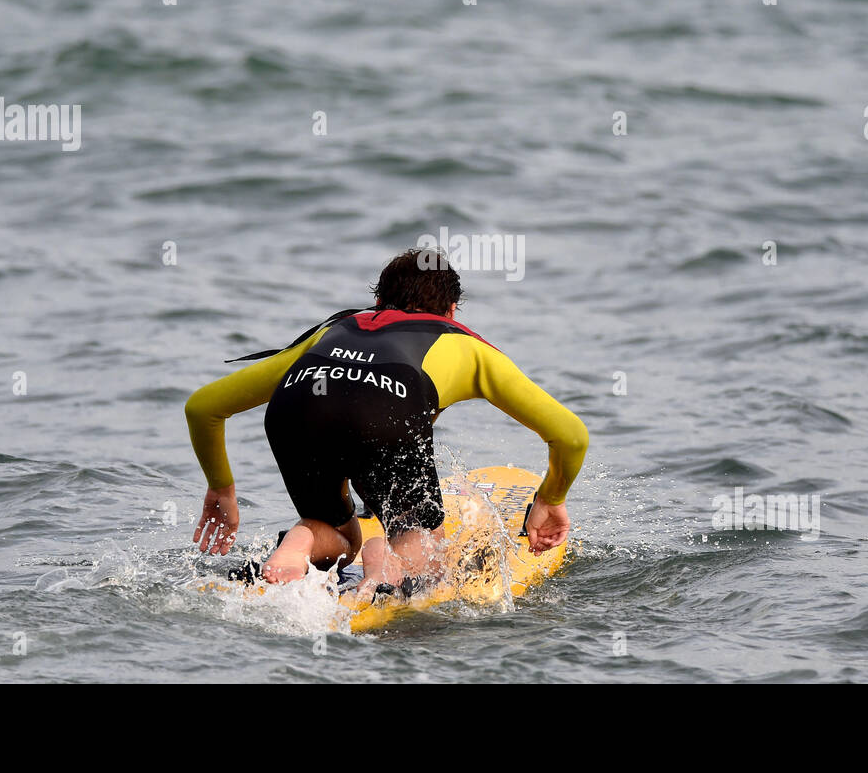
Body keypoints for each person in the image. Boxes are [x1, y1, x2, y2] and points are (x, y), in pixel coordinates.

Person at [185, 248, 588, 597]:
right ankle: (382, 572)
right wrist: (550, 499)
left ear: (378, 300)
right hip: (384, 415)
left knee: (339, 535)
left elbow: (203, 407)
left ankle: (299, 542)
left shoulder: (333, 329)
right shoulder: (466, 345)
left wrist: (221, 488)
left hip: (297, 409)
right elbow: (570, 435)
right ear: (451, 311)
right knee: (426, 556)